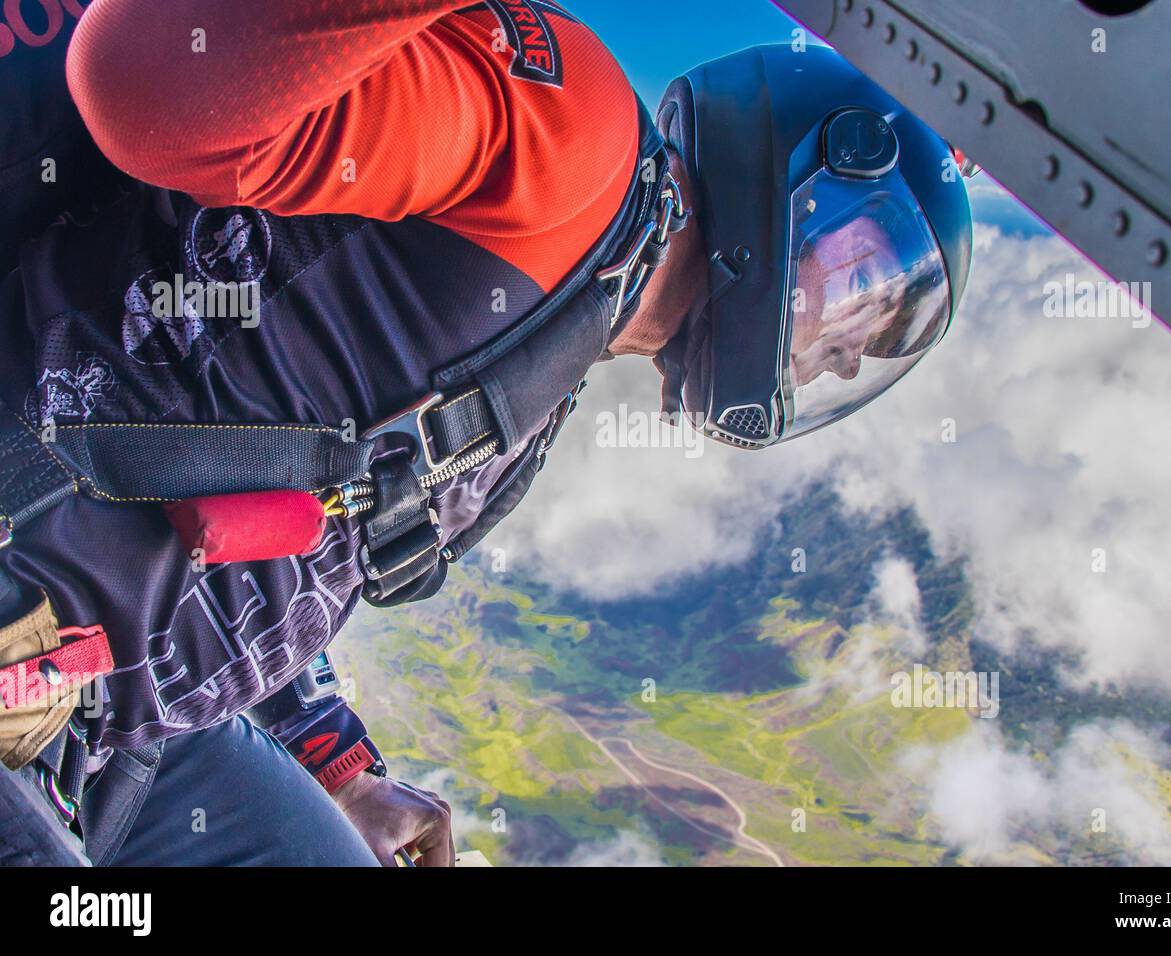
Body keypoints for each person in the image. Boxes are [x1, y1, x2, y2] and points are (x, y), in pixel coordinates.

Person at [0, 0, 972, 866]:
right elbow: (146, 79)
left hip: (113, 726)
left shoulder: (560, 343)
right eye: (864, 288)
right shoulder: (569, 134)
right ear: (797, 160)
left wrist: (334, 757)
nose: (845, 352)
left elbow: (257, 517)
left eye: (870, 342)